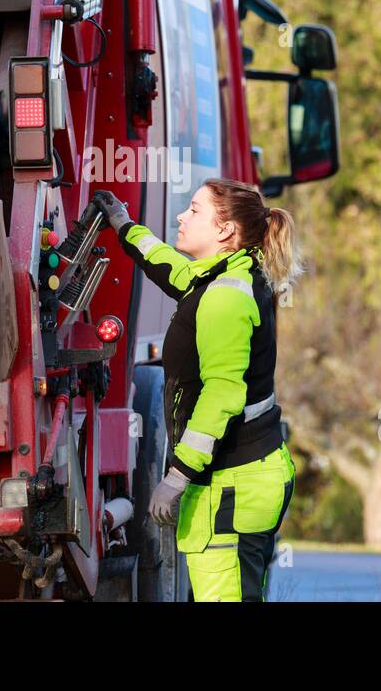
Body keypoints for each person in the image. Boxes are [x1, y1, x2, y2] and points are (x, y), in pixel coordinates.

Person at [92, 178, 302, 601]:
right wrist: (124, 225)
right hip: (238, 480)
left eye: (193, 210)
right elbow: (170, 266)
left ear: (225, 231)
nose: (180, 217)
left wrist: (175, 476)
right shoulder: (221, 276)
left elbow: (222, 395)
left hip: (233, 487)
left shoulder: (226, 298)